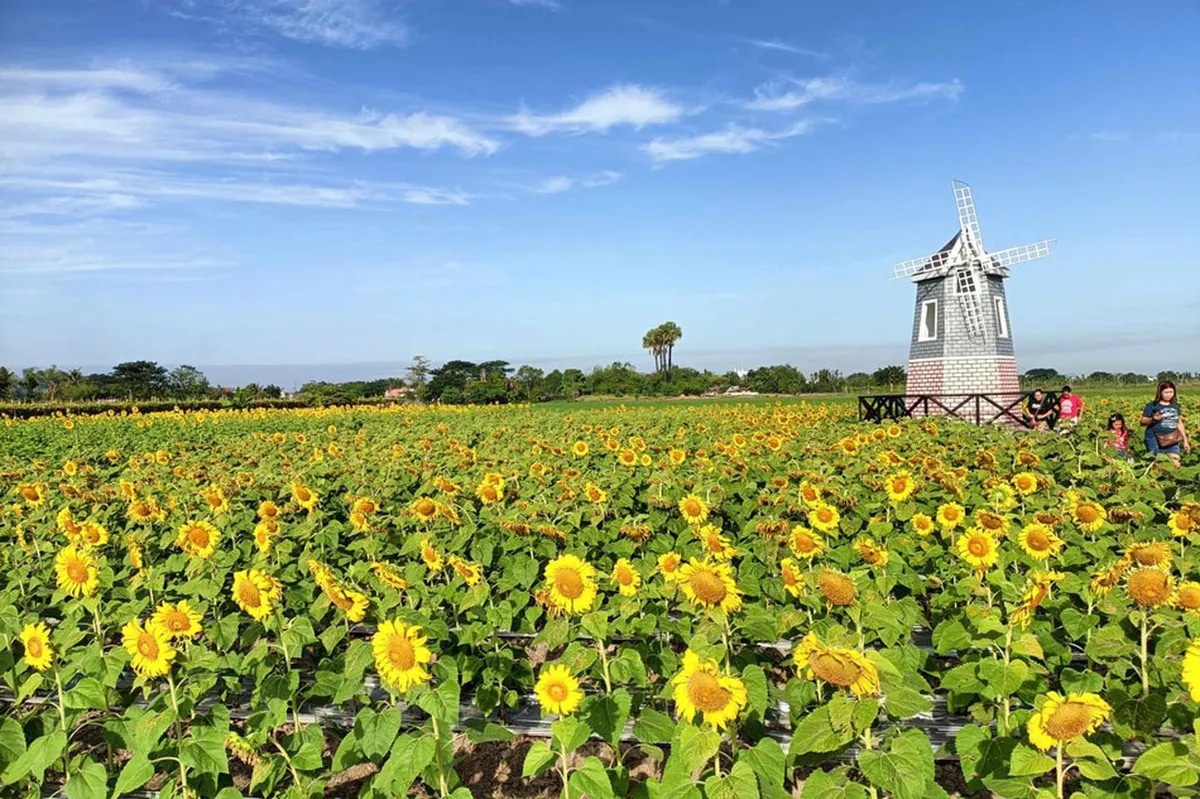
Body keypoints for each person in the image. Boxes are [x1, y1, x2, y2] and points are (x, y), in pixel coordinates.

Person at [1141, 380, 1191, 468]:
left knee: (1176, 461)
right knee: (1157, 462)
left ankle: (1173, 479)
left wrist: (1185, 440)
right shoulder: (1152, 405)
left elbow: (1179, 422)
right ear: (1160, 393)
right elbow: (1142, 422)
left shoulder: (1174, 405)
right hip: (1154, 438)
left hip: (1172, 438)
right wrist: (1153, 419)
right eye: (1166, 392)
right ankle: (1159, 479)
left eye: (1171, 392)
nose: (1169, 394)